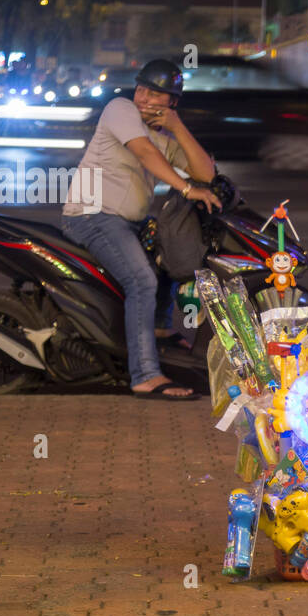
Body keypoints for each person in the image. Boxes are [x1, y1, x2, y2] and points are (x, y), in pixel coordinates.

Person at [60, 58, 221, 400]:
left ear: (172, 102)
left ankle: (160, 331)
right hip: (92, 216)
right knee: (142, 279)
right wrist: (187, 189)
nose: (146, 97)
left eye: (158, 94)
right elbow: (146, 154)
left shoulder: (164, 135)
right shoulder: (120, 109)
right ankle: (145, 375)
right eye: (144, 89)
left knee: (172, 254)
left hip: (126, 223)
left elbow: (206, 173)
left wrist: (177, 127)